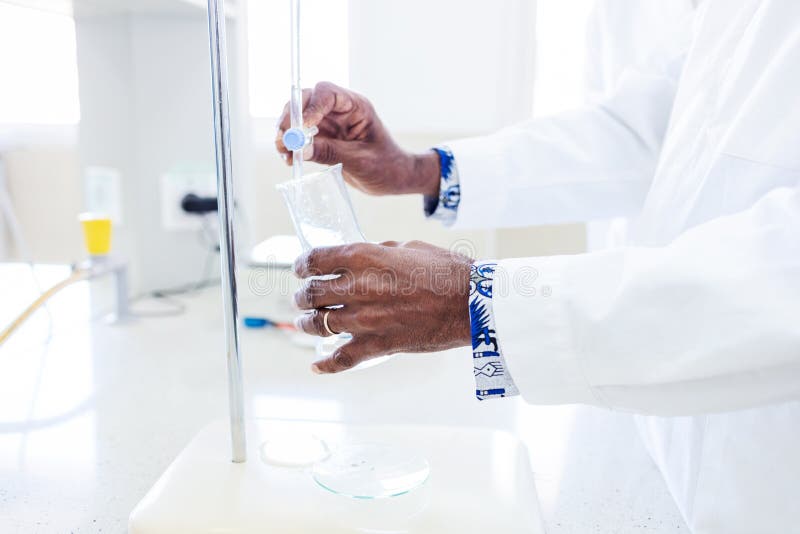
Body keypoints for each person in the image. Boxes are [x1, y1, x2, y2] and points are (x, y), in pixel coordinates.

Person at [275, 1, 800, 532]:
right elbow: (647, 133)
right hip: (670, 440)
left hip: (771, 470)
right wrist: (416, 169)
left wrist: (478, 304)